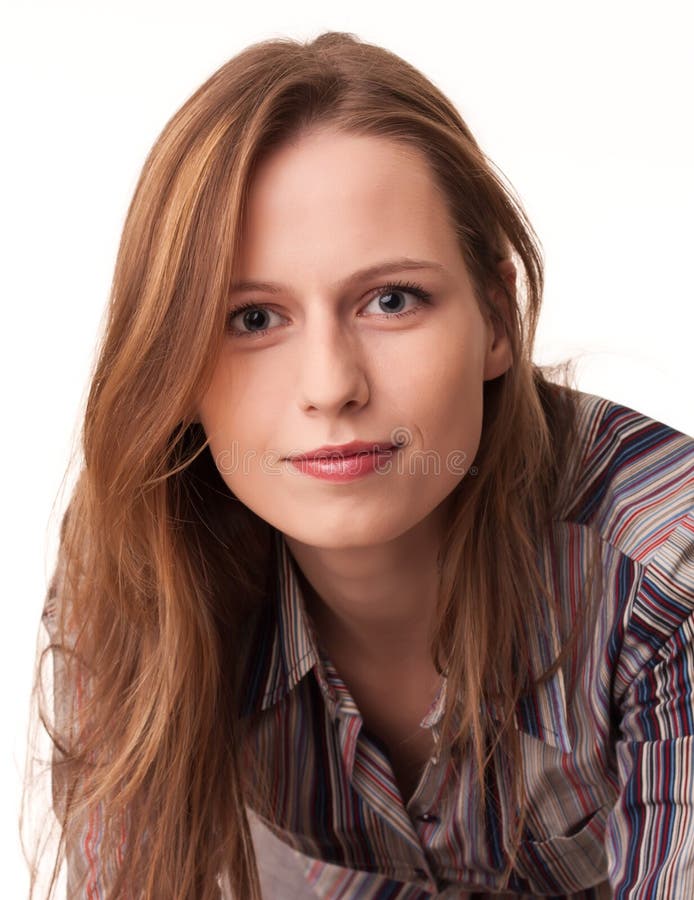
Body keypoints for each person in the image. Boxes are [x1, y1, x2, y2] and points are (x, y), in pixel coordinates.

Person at [23, 30, 694, 900]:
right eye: (253, 320)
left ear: (496, 318)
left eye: (391, 300)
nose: (331, 386)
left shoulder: (665, 571)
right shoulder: (138, 560)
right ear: (174, 367)